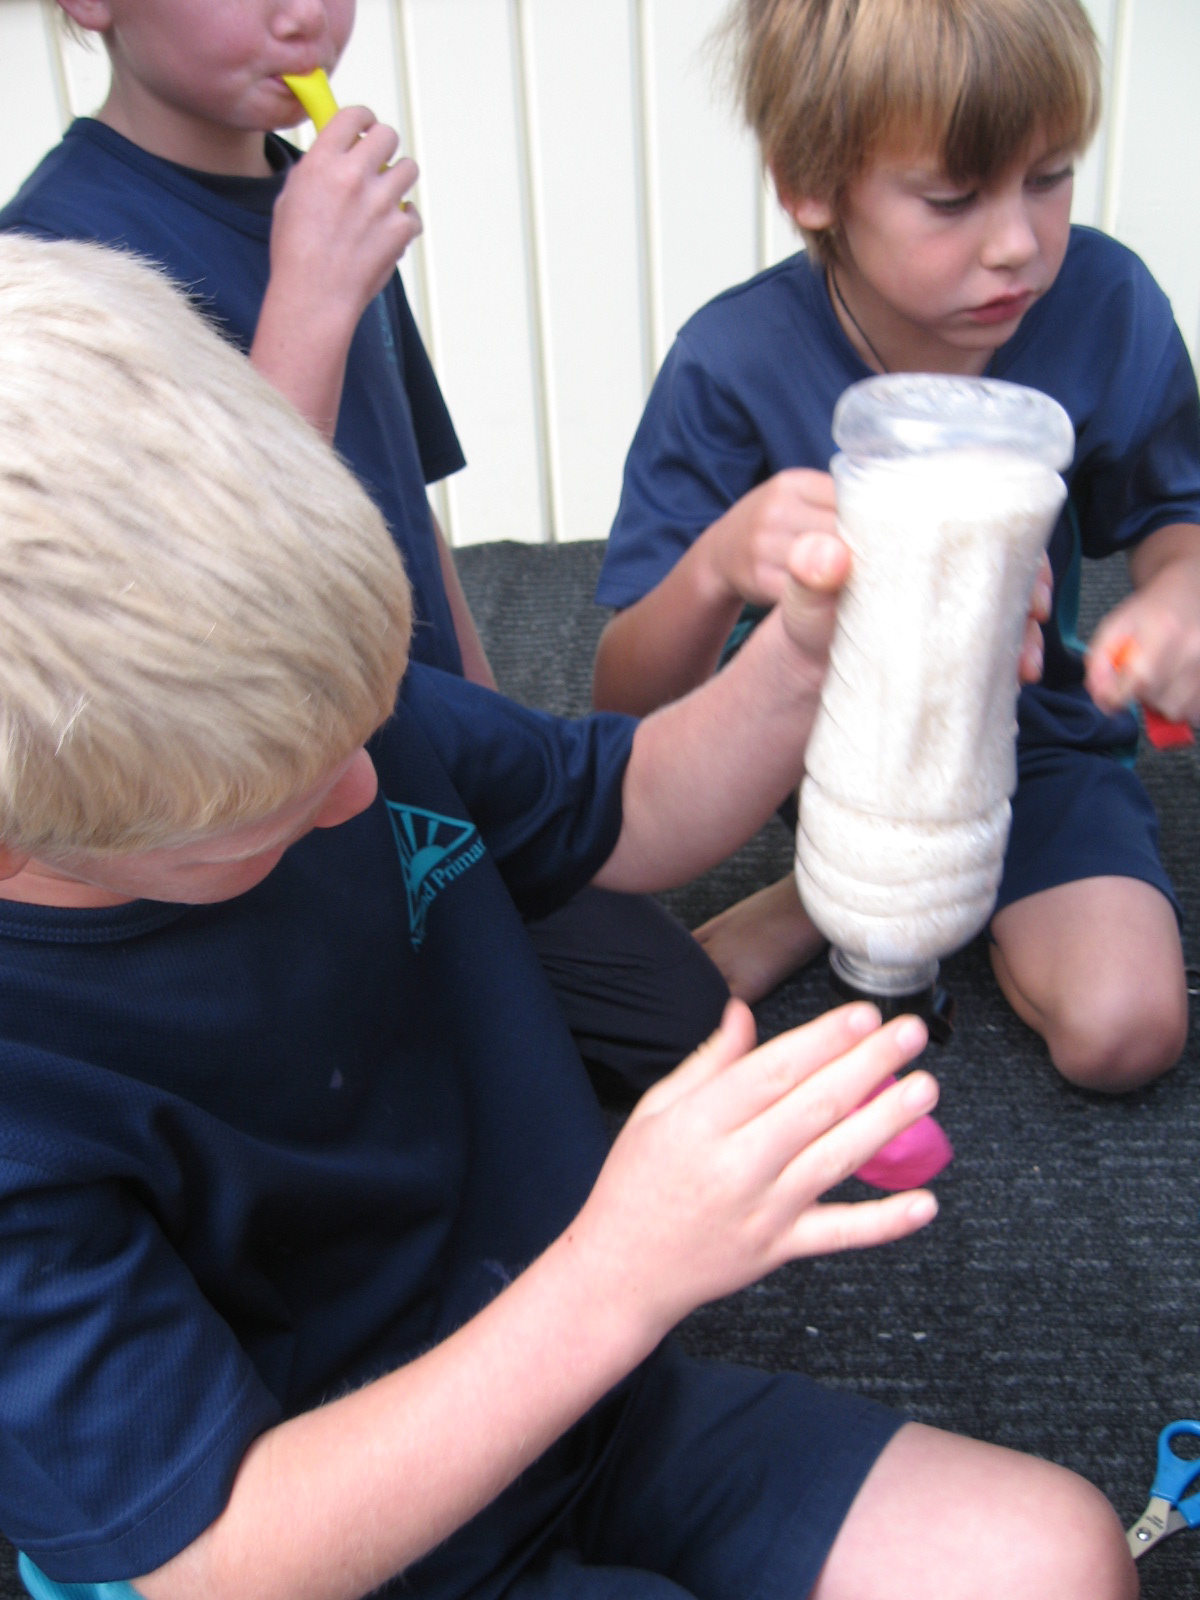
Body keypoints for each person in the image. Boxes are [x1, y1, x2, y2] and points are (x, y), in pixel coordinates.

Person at [0, 231, 1138, 1600]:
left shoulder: (308, 717)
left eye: (364, 725)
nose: (367, 788)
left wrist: (809, 650)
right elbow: (217, 1561)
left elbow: (638, 804)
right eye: (283, 802)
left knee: (1052, 1556)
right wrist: (620, 1272)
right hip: (351, 1543)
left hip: (587, 1411)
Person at [0, 0, 729, 1098]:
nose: (302, 14)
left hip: (419, 754)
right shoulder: (61, 273)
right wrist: (311, 300)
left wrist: (497, 728)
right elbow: (195, 631)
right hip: (251, 833)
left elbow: (406, 501)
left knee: (687, 1020)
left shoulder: (315, 192)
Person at [593, 0, 1200, 1094]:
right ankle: (832, 887)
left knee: (1127, 1031)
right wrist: (721, 563)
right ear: (809, 186)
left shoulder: (1106, 305)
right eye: (953, 198)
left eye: (1051, 176)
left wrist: (1178, 598)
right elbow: (623, 710)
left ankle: (859, 898)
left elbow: (1173, 522)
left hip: (1029, 736)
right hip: (807, 738)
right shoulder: (732, 363)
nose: (1017, 242)